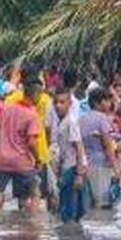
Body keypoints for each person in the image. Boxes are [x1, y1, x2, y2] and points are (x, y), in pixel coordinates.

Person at [0, 79, 41, 214]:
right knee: (35, 193)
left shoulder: (6, 109)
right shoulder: (32, 115)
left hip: (2, 161)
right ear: (36, 95)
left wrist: (1, 151)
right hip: (22, 162)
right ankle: (34, 222)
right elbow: (32, 142)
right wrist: (38, 159)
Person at [5, 68, 55, 203]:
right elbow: (48, 127)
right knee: (39, 196)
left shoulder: (11, 99)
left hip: (17, 153)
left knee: (22, 197)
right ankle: (35, 216)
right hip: (40, 151)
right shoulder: (45, 99)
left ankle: (22, 215)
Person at [80, 86, 121, 209]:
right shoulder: (102, 118)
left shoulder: (82, 119)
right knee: (102, 203)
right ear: (97, 103)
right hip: (101, 165)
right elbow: (108, 146)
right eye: (106, 100)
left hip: (86, 164)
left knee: (89, 203)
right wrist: (116, 168)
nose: (109, 103)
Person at [51, 89, 88, 223]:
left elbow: (78, 146)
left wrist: (79, 174)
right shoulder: (61, 122)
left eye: (62, 102)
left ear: (70, 104)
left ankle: (70, 233)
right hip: (67, 168)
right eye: (56, 102)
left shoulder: (71, 122)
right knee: (70, 208)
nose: (58, 106)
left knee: (69, 210)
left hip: (73, 168)